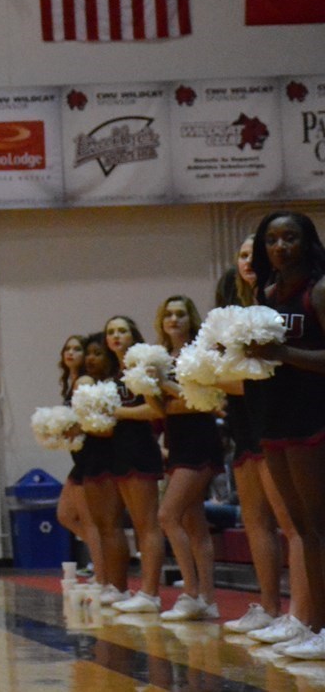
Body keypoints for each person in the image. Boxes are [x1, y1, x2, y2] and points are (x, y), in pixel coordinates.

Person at [247, 212, 325, 658]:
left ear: (306, 242)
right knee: (301, 528)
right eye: (272, 239)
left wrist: (286, 352)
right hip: (273, 419)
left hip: (313, 418)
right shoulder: (266, 294)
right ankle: (311, 623)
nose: (281, 246)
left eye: (290, 237)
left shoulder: (319, 290)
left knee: (318, 527)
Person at [217, 235, 298, 640]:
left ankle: (301, 614)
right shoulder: (236, 312)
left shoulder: (282, 304)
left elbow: (266, 373)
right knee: (255, 520)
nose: (250, 260)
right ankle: (269, 607)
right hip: (244, 426)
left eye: (256, 253)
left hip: (278, 423)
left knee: (290, 521)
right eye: (243, 255)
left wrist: (215, 377)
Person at [151, 295, 222, 621]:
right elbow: (161, 412)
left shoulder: (199, 353)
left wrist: (165, 386)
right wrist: (153, 390)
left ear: (191, 318)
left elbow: (206, 401)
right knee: (194, 524)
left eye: (180, 313)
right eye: (169, 314)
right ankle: (208, 599)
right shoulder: (162, 357)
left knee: (167, 515)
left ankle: (191, 591)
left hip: (200, 441)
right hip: (177, 441)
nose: (174, 319)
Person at [98, 315, 166, 615]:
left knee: (147, 523)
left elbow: (155, 410)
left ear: (133, 335)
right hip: (119, 453)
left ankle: (151, 592)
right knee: (134, 524)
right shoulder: (114, 373)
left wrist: (119, 413)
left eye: (122, 331)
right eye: (111, 332)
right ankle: (138, 589)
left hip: (141, 451)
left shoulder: (142, 368)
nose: (116, 336)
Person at [74, 333, 131, 606]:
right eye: (89, 353)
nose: (90, 358)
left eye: (97, 353)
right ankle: (107, 582)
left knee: (111, 525)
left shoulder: (111, 386)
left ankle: (120, 586)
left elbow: (107, 428)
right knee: (100, 525)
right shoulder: (89, 384)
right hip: (89, 459)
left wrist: (85, 423)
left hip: (109, 458)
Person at [52, 335, 105, 583]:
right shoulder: (71, 381)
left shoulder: (84, 381)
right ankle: (105, 557)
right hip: (79, 458)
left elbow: (87, 419)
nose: (71, 353)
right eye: (67, 348)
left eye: (77, 349)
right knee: (65, 514)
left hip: (92, 455)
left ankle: (102, 571)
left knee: (89, 519)